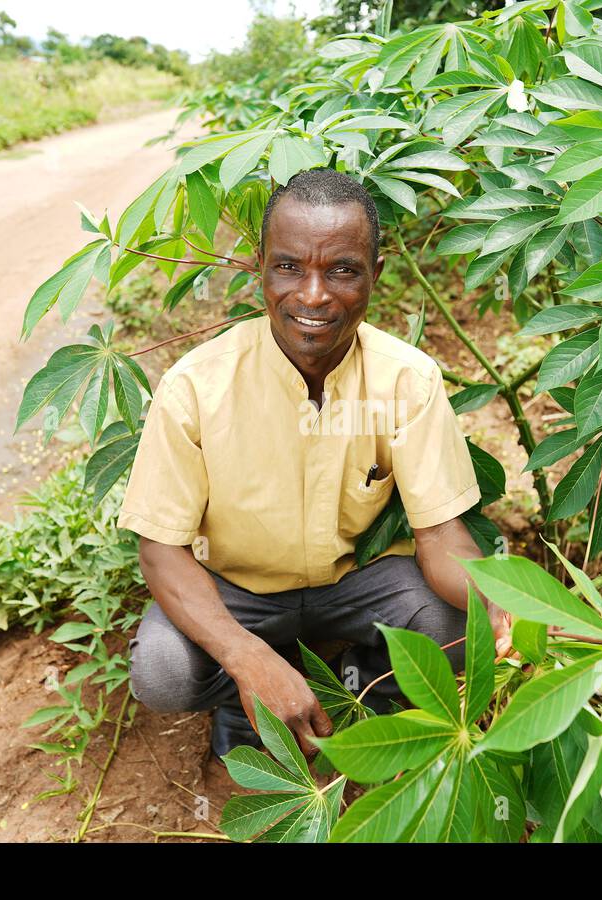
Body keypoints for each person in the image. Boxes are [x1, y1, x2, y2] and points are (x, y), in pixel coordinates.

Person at [119, 168, 513, 761]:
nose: (312, 295)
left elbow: (440, 534)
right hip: (239, 590)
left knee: (461, 633)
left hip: (358, 582)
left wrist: (506, 606)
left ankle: (359, 685)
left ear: (375, 276)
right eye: (289, 267)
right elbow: (160, 550)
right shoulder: (195, 387)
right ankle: (243, 703)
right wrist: (246, 658)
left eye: (342, 270)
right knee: (164, 670)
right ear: (260, 269)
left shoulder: (408, 379)